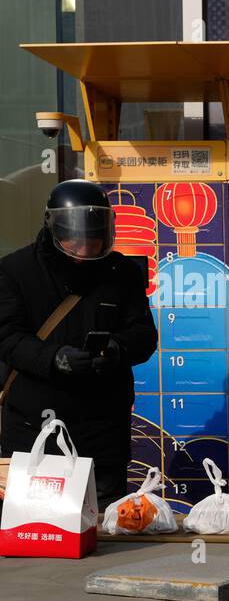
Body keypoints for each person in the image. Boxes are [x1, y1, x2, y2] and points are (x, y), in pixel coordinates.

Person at [0, 179, 158, 509]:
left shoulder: (122, 271)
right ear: (53, 227)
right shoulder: (15, 271)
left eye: (95, 233)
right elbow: (7, 337)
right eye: (74, 235)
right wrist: (53, 358)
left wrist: (117, 350)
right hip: (35, 429)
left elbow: (144, 335)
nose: (85, 245)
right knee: (37, 524)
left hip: (103, 429)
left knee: (103, 527)